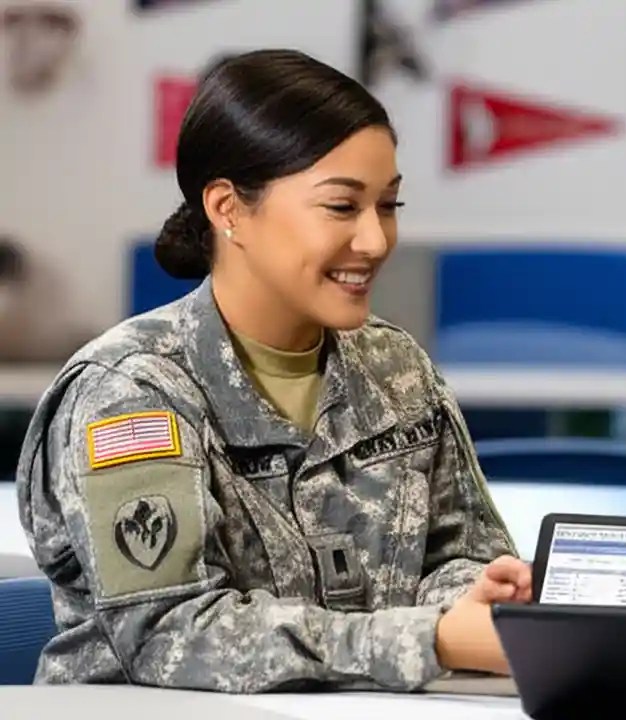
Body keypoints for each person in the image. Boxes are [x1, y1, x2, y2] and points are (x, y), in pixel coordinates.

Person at [15, 48, 532, 693]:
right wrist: (428, 639)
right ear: (228, 209)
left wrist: (476, 596)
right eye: (342, 208)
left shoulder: (395, 366)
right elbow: (171, 634)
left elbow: (457, 555)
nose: (375, 241)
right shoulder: (131, 392)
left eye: (389, 205)